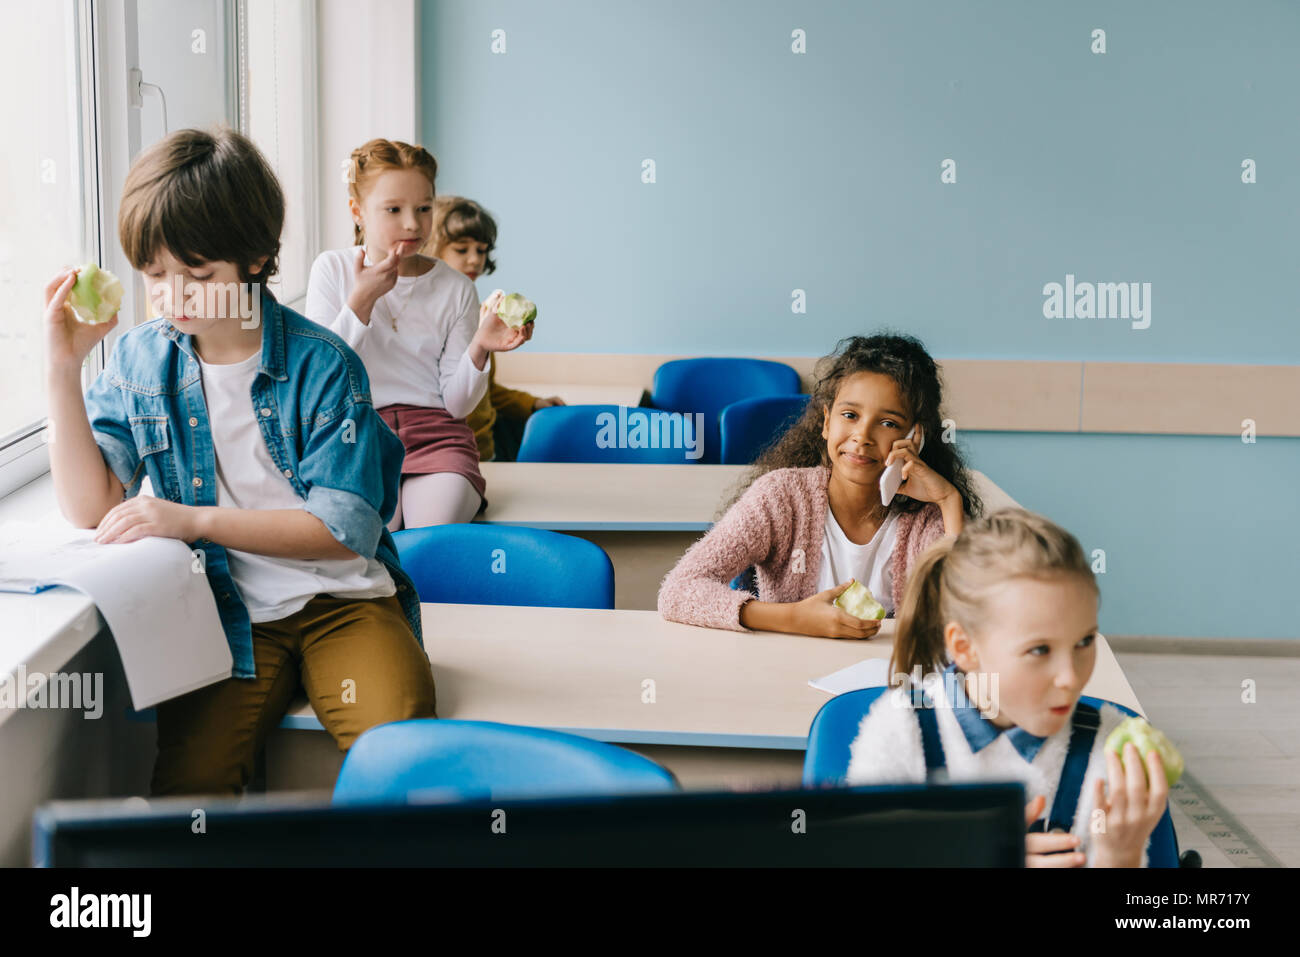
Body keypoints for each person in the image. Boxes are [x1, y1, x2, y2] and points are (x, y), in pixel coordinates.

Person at [45, 126, 435, 795]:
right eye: (154, 274)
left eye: (196, 275)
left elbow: (342, 535)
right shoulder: (142, 359)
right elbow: (89, 506)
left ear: (255, 258)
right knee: (187, 788)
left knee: (399, 754)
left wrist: (193, 520)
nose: (172, 296)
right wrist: (63, 365)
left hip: (341, 601)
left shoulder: (324, 364)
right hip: (225, 609)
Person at [846, 509, 1170, 867]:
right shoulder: (902, 734)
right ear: (965, 647)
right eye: (1039, 650)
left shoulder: (1108, 750)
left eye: (1084, 641)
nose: (1070, 677)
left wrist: (1118, 857)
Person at [657, 333, 980, 637]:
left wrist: (949, 502)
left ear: (916, 437)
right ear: (826, 422)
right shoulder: (782, 497)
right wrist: (792, 617)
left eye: (888, 423)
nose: (862, 436)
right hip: (784, 676)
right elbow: (679, 590)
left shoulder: (926, 517)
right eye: (850, 415)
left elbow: (968, 613)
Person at [306, 139, 532, 528]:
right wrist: (360, 302)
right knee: (383, 530)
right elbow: (322, 379)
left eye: (424, 208)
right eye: (394, 209)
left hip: (438, 437)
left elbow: (457, 405)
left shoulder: (456, 286)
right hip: (358, 436)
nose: (412, 223)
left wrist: (480, 346)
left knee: (432, 531)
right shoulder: (332, 270)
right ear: (357, 211)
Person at [428, 195, 564, 462]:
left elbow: (481, 391)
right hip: (445, 458)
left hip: (484, 452)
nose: (475, 260)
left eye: (481, 250)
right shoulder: (427, 320)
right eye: (462, 249)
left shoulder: (480, 314)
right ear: (433, 247)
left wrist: (530, 403)